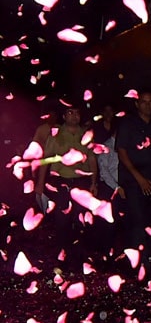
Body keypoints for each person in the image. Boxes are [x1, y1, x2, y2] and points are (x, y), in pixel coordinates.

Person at [33, 101, 98, 270]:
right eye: (70, 113)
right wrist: (39, 184)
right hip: (62, 181)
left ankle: (80, 257)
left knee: (81, 218)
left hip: (81, 182)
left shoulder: (86, 134)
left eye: (76, 113)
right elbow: (45, 159)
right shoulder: (55, 135)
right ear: (64, 116)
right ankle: (62, 255)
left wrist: (93, 182)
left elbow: (92, 158)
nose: (74, 116)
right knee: (62, 219)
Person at [115, 89, 151, 268]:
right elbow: (122, 152)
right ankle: (138, 262)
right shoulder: (127, 124)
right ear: (137, 104)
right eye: (144, 102)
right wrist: (139, 178)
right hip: (134, 179)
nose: (148, 105)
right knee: (137, 220)